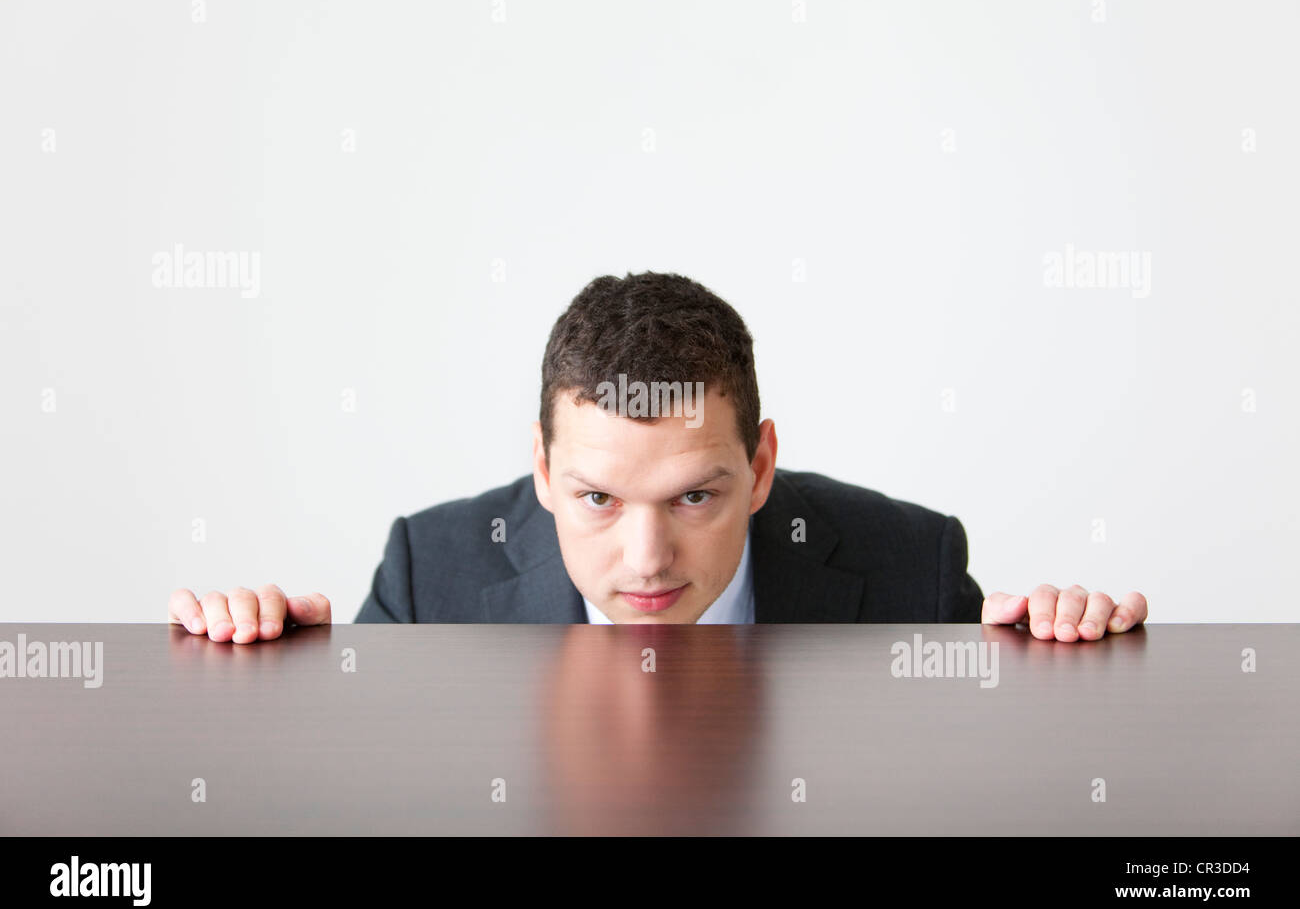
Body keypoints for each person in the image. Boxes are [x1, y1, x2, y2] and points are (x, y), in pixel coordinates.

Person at [167, 271, 1148, 639]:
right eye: (595, 495)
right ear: (542, 469)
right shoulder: (436, 575)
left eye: (693, 498)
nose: (644, 559)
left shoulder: (906, 565)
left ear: (760, 465)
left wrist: (1072, 655)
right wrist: (266, 672)